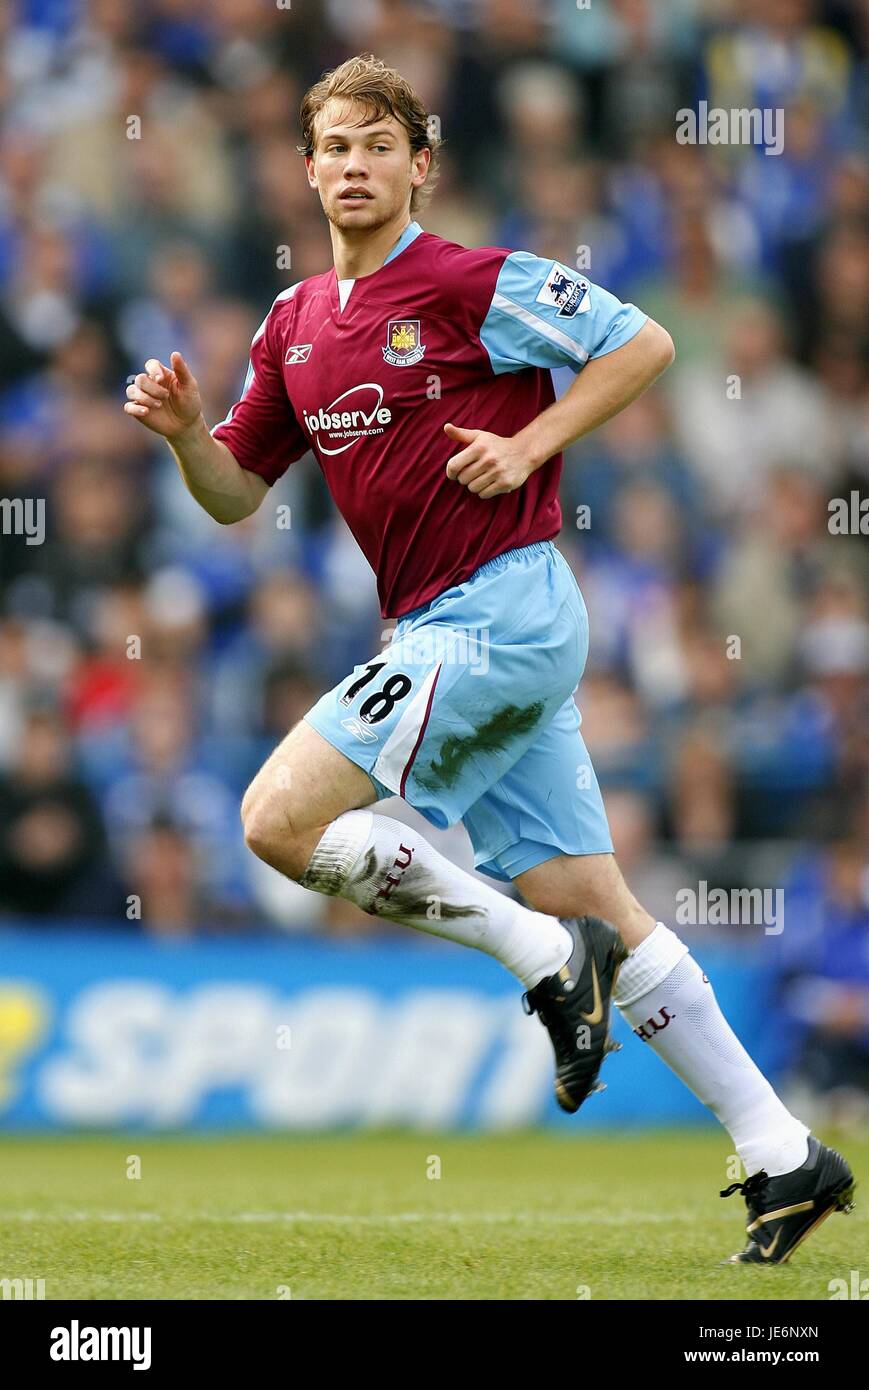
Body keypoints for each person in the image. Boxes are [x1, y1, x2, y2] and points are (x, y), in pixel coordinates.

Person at [124, 53, 854, 1264]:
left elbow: (644, 342)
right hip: (439, 627)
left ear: (421, 164)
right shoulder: (293, 323)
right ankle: (783, 1150)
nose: (355, 167)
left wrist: (531, 449)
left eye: (378, 146)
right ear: (307, 172)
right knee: (593, 897)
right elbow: (234, 498)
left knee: (274, 819)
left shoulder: (467, 281)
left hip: (504, 608)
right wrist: (190, 435)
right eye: (335, 149)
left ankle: (536, 959)